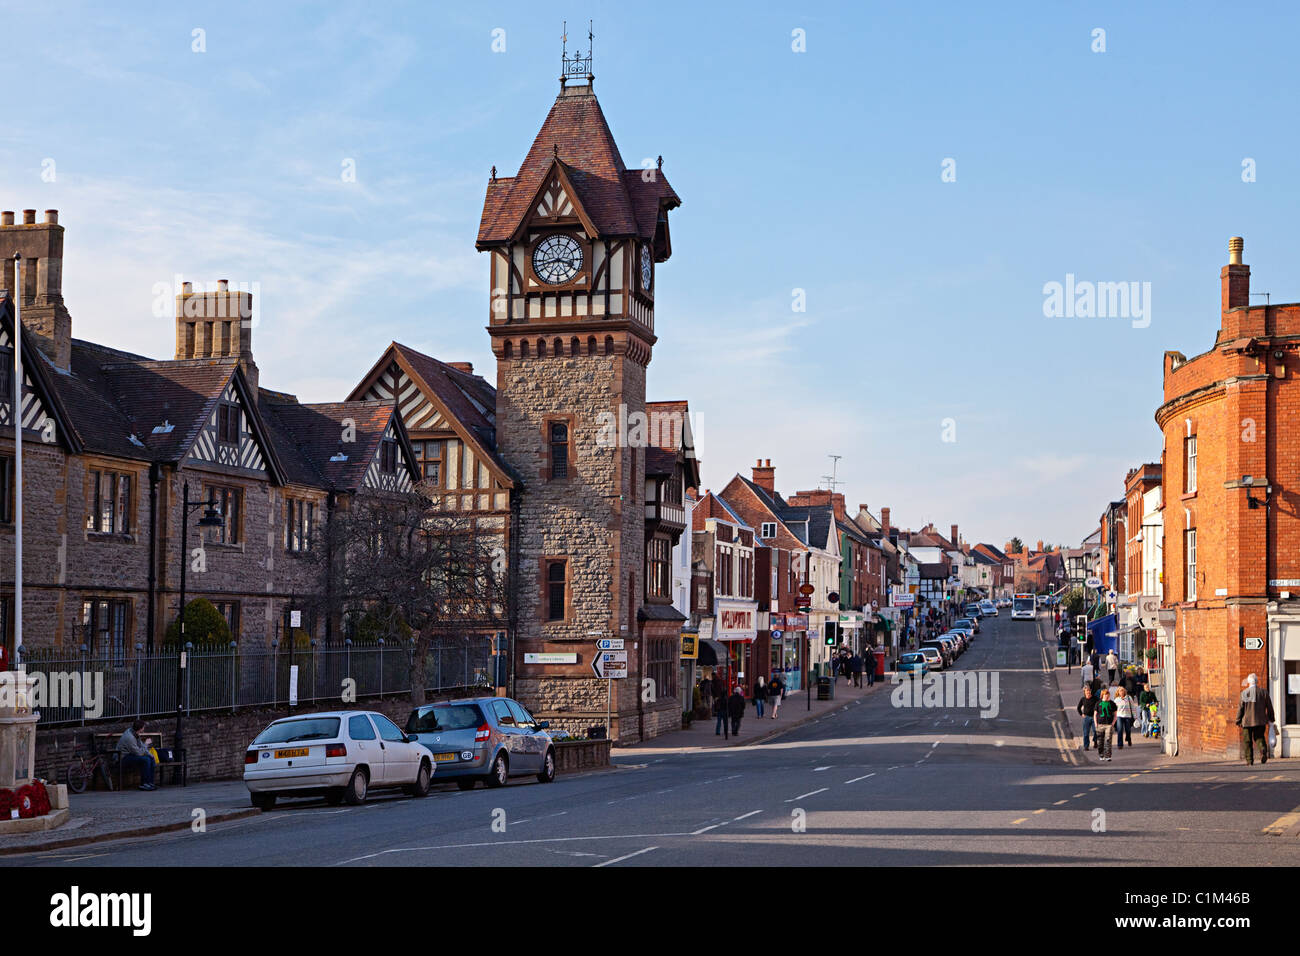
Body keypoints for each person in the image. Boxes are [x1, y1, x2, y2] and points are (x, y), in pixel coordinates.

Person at [1235, 673, 1275, 765]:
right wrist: (1271, 718)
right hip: (1260, 721)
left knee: (1247, 741)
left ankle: (1249, 760)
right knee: (1259, 737)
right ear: (1256, 681)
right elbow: (1269, 707)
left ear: (1248, 682)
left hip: (1247, 721)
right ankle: (1262, 749)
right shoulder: (1263, 692)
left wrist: (1238, 720)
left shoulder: (1244, 693)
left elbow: (1240, 708)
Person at [116, 720, 157, 791]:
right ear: (140, 728)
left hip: (131, 755)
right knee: (145, 759)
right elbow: (139, 753)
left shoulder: (134, 733)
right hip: (122, 758)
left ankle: (150, 783)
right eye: (143, 727)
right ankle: (144, 784)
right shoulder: (130, 738)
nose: (144, 729)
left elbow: (140, 746)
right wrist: (146, 744)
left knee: (150, 758)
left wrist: (150, 754)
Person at [1094, 689, 1117, 761]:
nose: (1107, 697)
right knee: (1100, 742)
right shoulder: (1098, 703)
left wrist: (1113, 723)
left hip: (1109, 725)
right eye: (1105, 695)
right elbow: (1095, 714)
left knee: (1108, 740)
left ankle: (1108, 756)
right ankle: (1101, 755)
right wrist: (1096, 724)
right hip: (1100, 725)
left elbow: (1115, 715)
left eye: (1108, 695)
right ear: (1102, 696)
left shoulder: (1112, 703)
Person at [1077, 684, 1097, 751]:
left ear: (1090, 691)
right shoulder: (1083, 699)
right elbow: (1078, 708)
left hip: (1094, 718)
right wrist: (1081, 714)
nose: (1088, 692)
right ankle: (1086, 746)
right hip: (1086, 718)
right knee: (1086, 733)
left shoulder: (1095, 698)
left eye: (1089, 691)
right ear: (1084, 692)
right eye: (1086, 691)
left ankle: (1095, 741)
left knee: (1096, 731)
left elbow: (1099, 705)